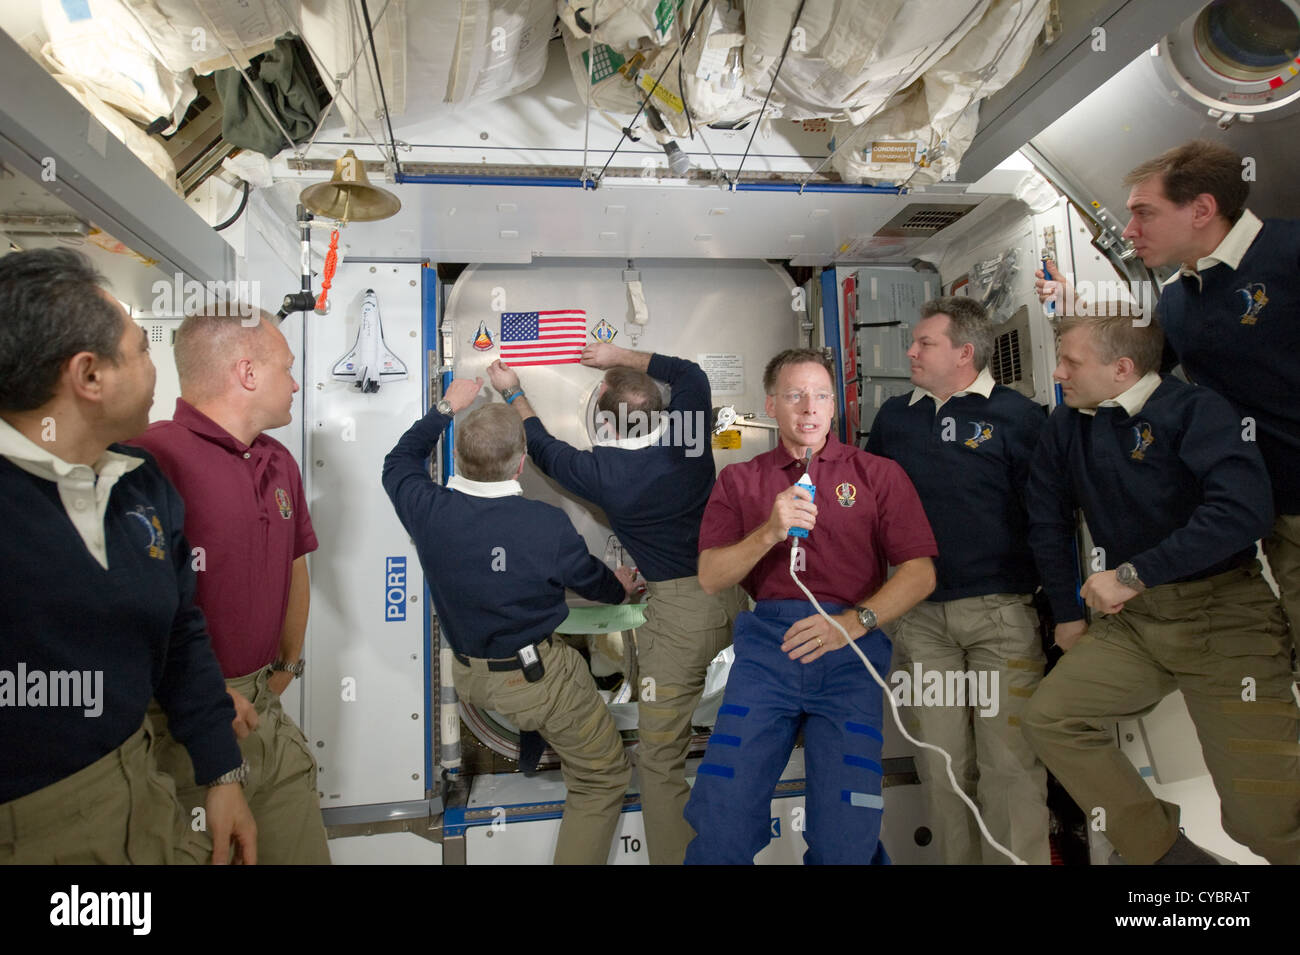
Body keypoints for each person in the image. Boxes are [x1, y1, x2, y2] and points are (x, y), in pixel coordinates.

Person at [0, 248, 255, 864]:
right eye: (142, 350)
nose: (155, 367)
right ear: (90, 377)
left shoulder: (139, 479)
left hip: (142, 789)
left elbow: (182, 631)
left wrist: (221, 772)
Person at [1022, 313, 1299, 864]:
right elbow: (1047, 516)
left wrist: (1132, 574)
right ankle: (1168, 857)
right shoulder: (1068, 423)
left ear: (1122, 368)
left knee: (1265, 824)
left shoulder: (1197, 412)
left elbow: (1242, 513)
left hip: (1224, 618)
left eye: (1072, 361)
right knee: (1051, 717)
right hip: (1138, 625)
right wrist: (1068, 614)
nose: (1058, 372)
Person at [486, 343, 743, 865]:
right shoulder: (690, 434)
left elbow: (540, 445)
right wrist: (616, 355)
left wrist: (512, 390)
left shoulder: (605, 475)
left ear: (604, 414)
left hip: (678, 619)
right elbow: (689, 368)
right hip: (734, 596)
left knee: (660, 759)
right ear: (660, 406)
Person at [1036, 139, 1299, 645]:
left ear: (1201, 209)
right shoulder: (1179, 298)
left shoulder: (1288, 254)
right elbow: (1127, 366)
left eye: (1143, 213)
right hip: (1276, 509)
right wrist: (1074, 311)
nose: (1129, 232)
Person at [683, 348, 937, 864]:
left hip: (850, 652)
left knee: (848, 833)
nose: (809, 407)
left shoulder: (878, 475)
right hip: (768, 655)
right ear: (771, 404)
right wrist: (770, 532)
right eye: (795, 395)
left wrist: (853, 623)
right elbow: (712, 577)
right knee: (722, 814)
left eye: (821, 395)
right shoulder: (740, 480)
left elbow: (920, 572)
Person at [383, 377, 640, 864]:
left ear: (458, 459)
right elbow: (595, 583)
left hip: (471, 678)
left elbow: (397, 462)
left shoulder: (428, 510)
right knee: (602, 776)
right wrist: (620, 584)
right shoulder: (544, 524)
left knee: (535, 671)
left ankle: (533, 729)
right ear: (522, 464)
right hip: (536, 680)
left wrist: (445, 408)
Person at [128, 309, 330, 864]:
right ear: (246, 373)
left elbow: (294, 568)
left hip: (265, 710)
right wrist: (195, 696)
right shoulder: (150, 459)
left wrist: (287, 668)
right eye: (286, 369)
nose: (294, 382)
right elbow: (122, 610)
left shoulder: (278, 460)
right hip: (182, 726)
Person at [866, 296, 1050, 864]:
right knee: (942, 767)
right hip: (922, 623)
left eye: (925, 343)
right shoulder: (895, 417)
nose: (911, 351)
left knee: (1010, 766)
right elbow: (872, 511)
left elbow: (1049, 515)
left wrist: (1066, 610)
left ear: (965, 353)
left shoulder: (1019, 418)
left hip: (1001, 618)